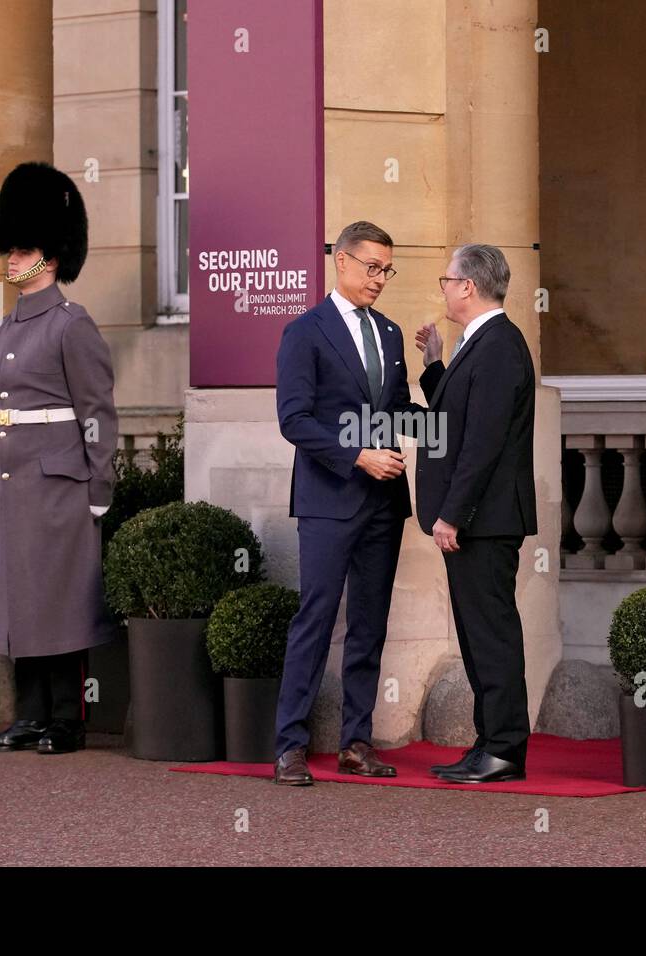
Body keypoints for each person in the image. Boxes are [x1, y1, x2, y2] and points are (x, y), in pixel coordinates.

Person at [272, 220, 435, 785]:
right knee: (315, 619)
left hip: (383, 505)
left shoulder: (389, 335)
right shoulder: (305, 332)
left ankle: (355, 743)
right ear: (340, 262)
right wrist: (359, 455)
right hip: (328, 501)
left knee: (369, 624)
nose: (380, 279)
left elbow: (396, 412)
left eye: (387, 269)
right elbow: (294, 420)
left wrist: (448, 385)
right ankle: (289, 746)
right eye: (372, 267)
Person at [0, 162, 117, 755]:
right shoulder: (5, 329)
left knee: (60, 600)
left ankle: (66, 716)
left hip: (60, 484)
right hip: (16, 482)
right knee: (19, 599)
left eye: (23, 250)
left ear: (51, 256)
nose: (11, 260)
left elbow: (97, 412)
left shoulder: (70, 325)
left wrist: (98, 485)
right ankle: (29, 714)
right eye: (9, 250)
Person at [414, 243, 536, 783]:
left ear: (468, 286)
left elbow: (482, 443)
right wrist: (436, 364)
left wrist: (452, 515)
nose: (442, 287)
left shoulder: (499, 346)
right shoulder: (479, 343)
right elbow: (456, 415)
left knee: (491, 636)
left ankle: (505, 748)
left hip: (484, 522)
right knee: (477, 635)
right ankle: (490, 743)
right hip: (479, 520)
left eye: (446, 279)